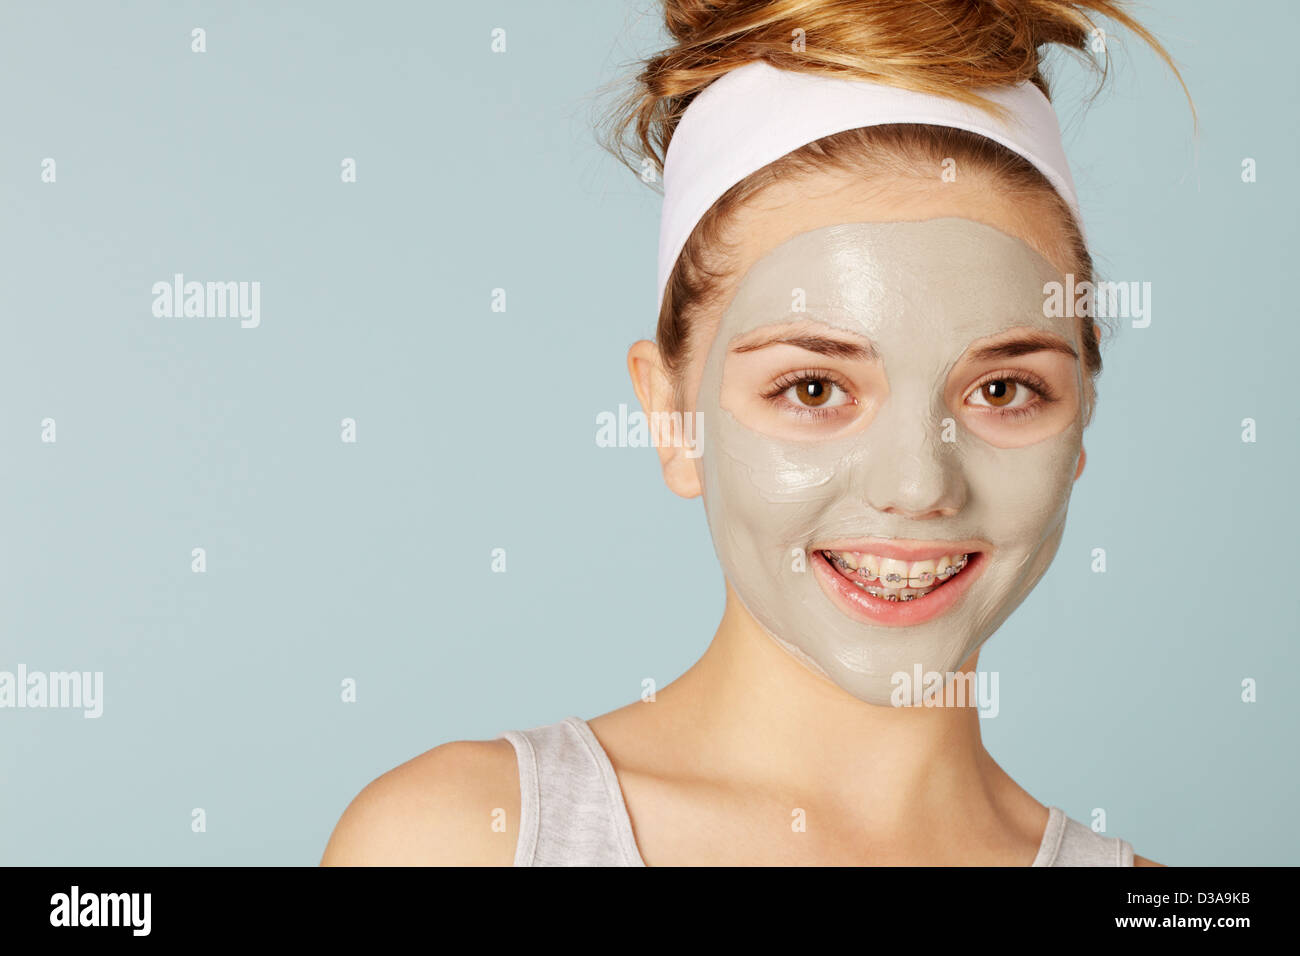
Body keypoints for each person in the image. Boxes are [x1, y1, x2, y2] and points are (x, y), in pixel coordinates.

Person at [321, 0, 1191, 866]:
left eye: (1003, 389)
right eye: (814, 388)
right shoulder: (456, 842)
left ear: (1080, 420)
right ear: (672, 417)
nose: (920, 485)